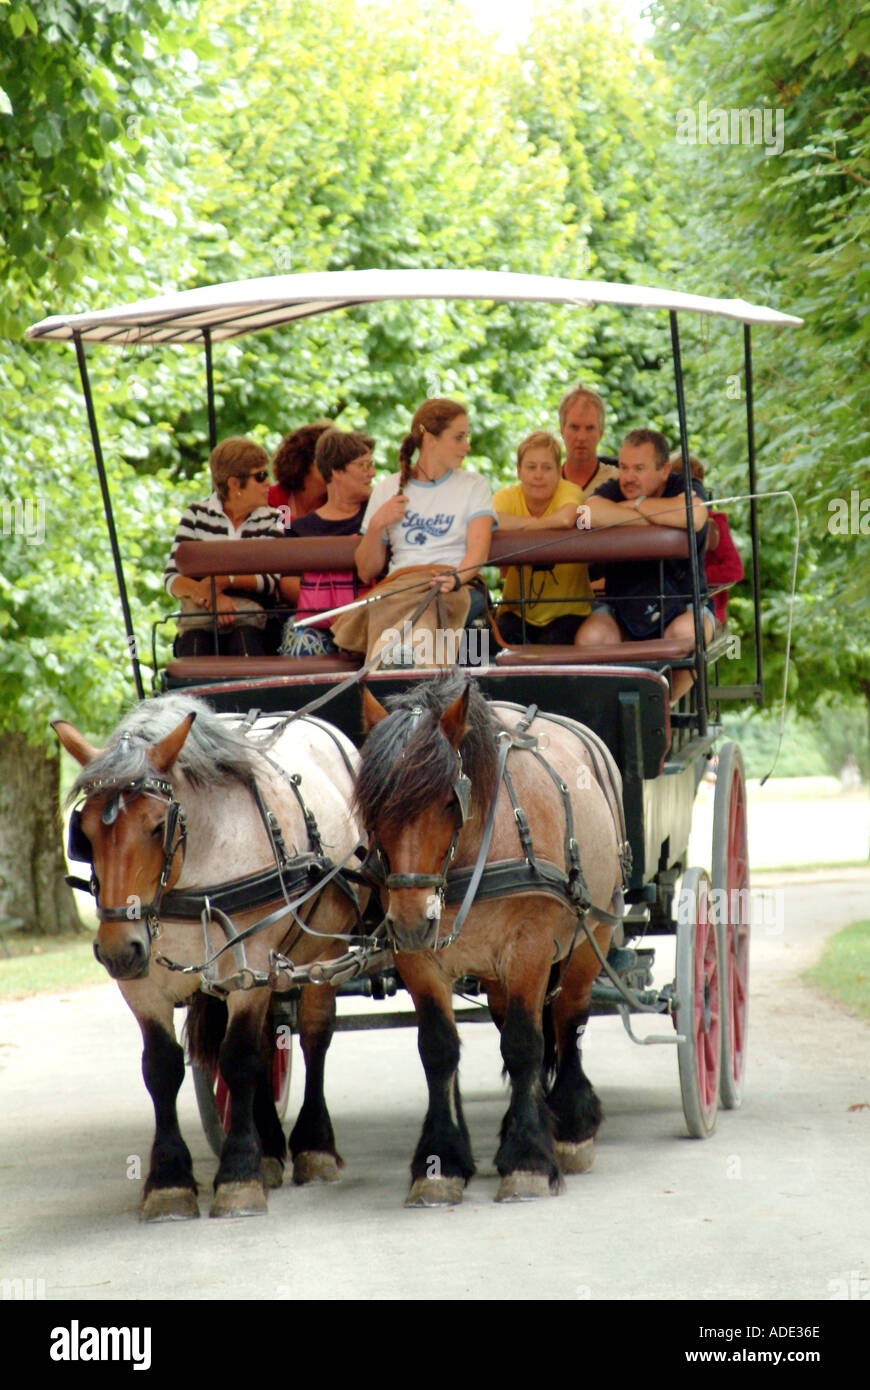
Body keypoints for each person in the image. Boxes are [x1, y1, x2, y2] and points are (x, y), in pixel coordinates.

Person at [335, 398, 497, 664]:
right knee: (400, 608)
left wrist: (456, 578)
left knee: (430, 607)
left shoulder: (474, 485)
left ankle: (405, 668)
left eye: (467, 437)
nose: (467, 446)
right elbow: (366, 570)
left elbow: (478, 552)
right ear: (430, 440)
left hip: (453, 585)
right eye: (458, 438)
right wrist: (377, 524)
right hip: (400, 587)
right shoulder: (388, 488)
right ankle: (405, 671)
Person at [574, 428, 713, 697]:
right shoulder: (615, 488)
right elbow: (584, 515)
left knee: (687, 632)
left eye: (639, 468)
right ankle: (611, 709)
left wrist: (634, 506)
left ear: (663, 470)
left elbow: (694, 516)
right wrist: (656, 513)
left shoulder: (684, 485)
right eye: (624, 467)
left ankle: (664, 707)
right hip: (621, 610)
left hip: (680, 607)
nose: (628, 477)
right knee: (590, 638)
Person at [164, 436, 286, 657]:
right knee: (195, 645)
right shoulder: (196, 515)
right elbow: (172, 578)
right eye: (260, 476)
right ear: (234, 484)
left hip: (254, 616)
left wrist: (222, 581)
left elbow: (270, 579)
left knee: (245, 641)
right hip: (202, 612)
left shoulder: (274, 518)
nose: (268, 482)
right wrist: (213, 597)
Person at [279, 428, 375, 657]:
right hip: (318, 619)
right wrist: (333, 608)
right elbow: (287, 583)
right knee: (302, 640)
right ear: (336, 472)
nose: (371, 473)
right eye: (363, 465)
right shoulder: (300, 529)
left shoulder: (379, 517)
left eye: (372, 465)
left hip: (371, 616)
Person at [493, 431, 592, 644]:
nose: (538, 475)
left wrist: (521, 528)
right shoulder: (507, 496)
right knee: (487, 645)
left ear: (558, 471)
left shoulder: (570, 490)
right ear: (519, 471)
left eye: (546, 468)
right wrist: (533, 525)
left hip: (570, 612)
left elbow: (566, 518)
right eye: (531, 467)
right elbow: (489, 520)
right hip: (516, 611)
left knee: (552, 647)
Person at [682, 453, 744, 626]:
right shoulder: (660, 517)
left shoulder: (713, 522)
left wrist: (693, 578)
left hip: (707, 609)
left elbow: (733, 570)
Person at [559, 385, 619, 494]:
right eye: (574, 427)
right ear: (562, 430)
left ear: (601, 432)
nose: (581, 437)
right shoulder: (545, 482)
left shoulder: (618, 481)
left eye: (590, 428)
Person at [268, 423, 330, 522]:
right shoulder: (270, 498)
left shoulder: (341, 504)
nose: (337, 465)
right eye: (328, 458)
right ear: (304, 460)